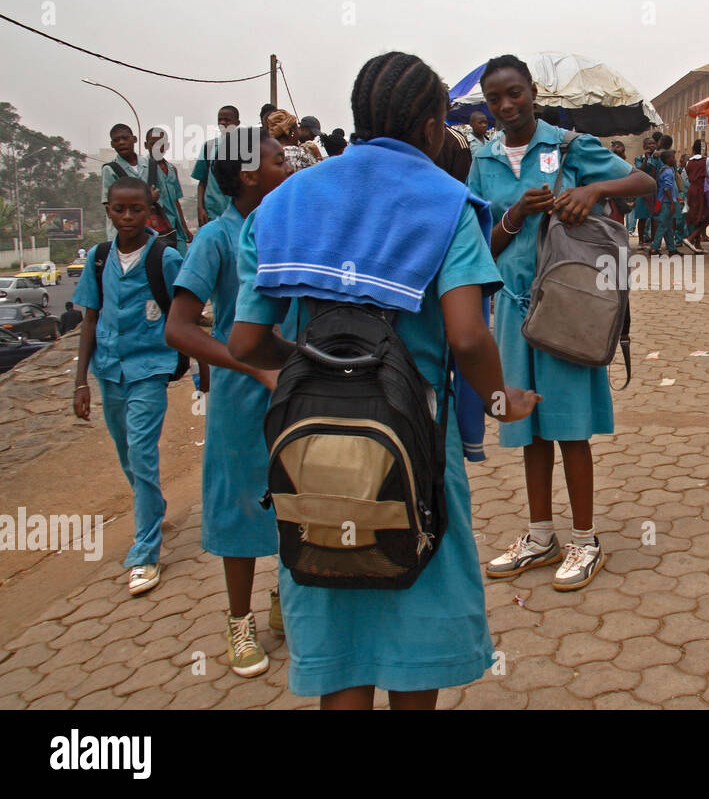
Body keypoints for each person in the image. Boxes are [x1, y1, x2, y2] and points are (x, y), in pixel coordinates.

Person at [228, 51, 539, 710]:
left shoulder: (287, 203)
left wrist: (316, 369)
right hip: (413, 440)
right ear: (431, 128)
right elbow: (466, 335)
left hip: (310, 447)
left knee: (336, 622)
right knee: (413, 618)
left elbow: (246, 342)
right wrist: (502, 400)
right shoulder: (446, 202)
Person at [469, 54, 653, 592]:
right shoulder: (483, 160)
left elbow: (640, 181)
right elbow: (483, 246)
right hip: (512, 307)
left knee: (570, 427)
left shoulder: (568, 146)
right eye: (495, 98)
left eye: (514, 93)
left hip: (570, 306)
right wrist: (515, 215)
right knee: (528, 429)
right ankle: (540, 535)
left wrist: (592, 192)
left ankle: (586, 539)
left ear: (533, 92)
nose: (506, 106)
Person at [165, 126, 290, 678]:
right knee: (242, 508)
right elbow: (179, 328)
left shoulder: (292, 227)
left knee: (298, 497)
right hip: (242, 402)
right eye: (280, 160)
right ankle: (239, 623)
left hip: (296, 389)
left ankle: (289, 602)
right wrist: (252, 366)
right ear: (247, 175)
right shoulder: (215, 238)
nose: (290, 167)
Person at [72, 177, 184, 596]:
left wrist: (197, 368)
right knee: (126, 454)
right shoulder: (99, 259)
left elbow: (184, 313)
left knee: (141, 452)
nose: (128, 217)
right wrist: (80, 381)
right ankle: (151, 509)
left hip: (149, 370)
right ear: (108, 211)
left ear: (148, 211)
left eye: (136, 209)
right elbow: (89, 319)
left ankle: (145, 553)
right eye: (119, 210)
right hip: (109, 371)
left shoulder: (163, 257)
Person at [143, 127, 192, 254]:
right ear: (146, 145)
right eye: (153, 143)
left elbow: (176, 201)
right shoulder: (143, 168)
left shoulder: (171, 169)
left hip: (175, 228)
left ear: (166, 146)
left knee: (181, 261)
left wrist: (185, 228)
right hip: (155, 229)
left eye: (160, 143)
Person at [193, 106, 239, 227]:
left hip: (238, 214)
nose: (223, 122)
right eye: (220, 119)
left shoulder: (246, 149)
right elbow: (202, 182)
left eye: (227, 119)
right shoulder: (209, 147)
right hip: (212, 213)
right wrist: (200, 208)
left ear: (237, 123)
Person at [647, 148, 682, 255]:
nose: (674, 159)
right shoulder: (668, 171)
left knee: (668, 226)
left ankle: (671, 249)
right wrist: (672, 202)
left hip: (665, 201)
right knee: (663, 225)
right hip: (666, 202)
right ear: (667, 159)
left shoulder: (664, 170)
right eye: (672, 157)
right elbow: (667, 188)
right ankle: (654, 247)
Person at [684, 138, 709, 253]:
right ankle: (690, 239)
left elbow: (686, 176)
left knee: (697, 216)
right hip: (703, 190)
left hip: (692, 190)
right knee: (708, 217)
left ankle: (697, 244)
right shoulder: (707, 161)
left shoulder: (688, 162)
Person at [632, 135, 661, 247]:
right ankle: (641, 240)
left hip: (655, 190)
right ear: (644, 146)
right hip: (643, 190)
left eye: (653, 143)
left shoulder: (658, 157)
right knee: (642, 216)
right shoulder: (639, 158)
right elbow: (640, 170)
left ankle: (654, 240)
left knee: (654, 217)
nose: (652, 145)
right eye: (649, 144)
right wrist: (646, 159)